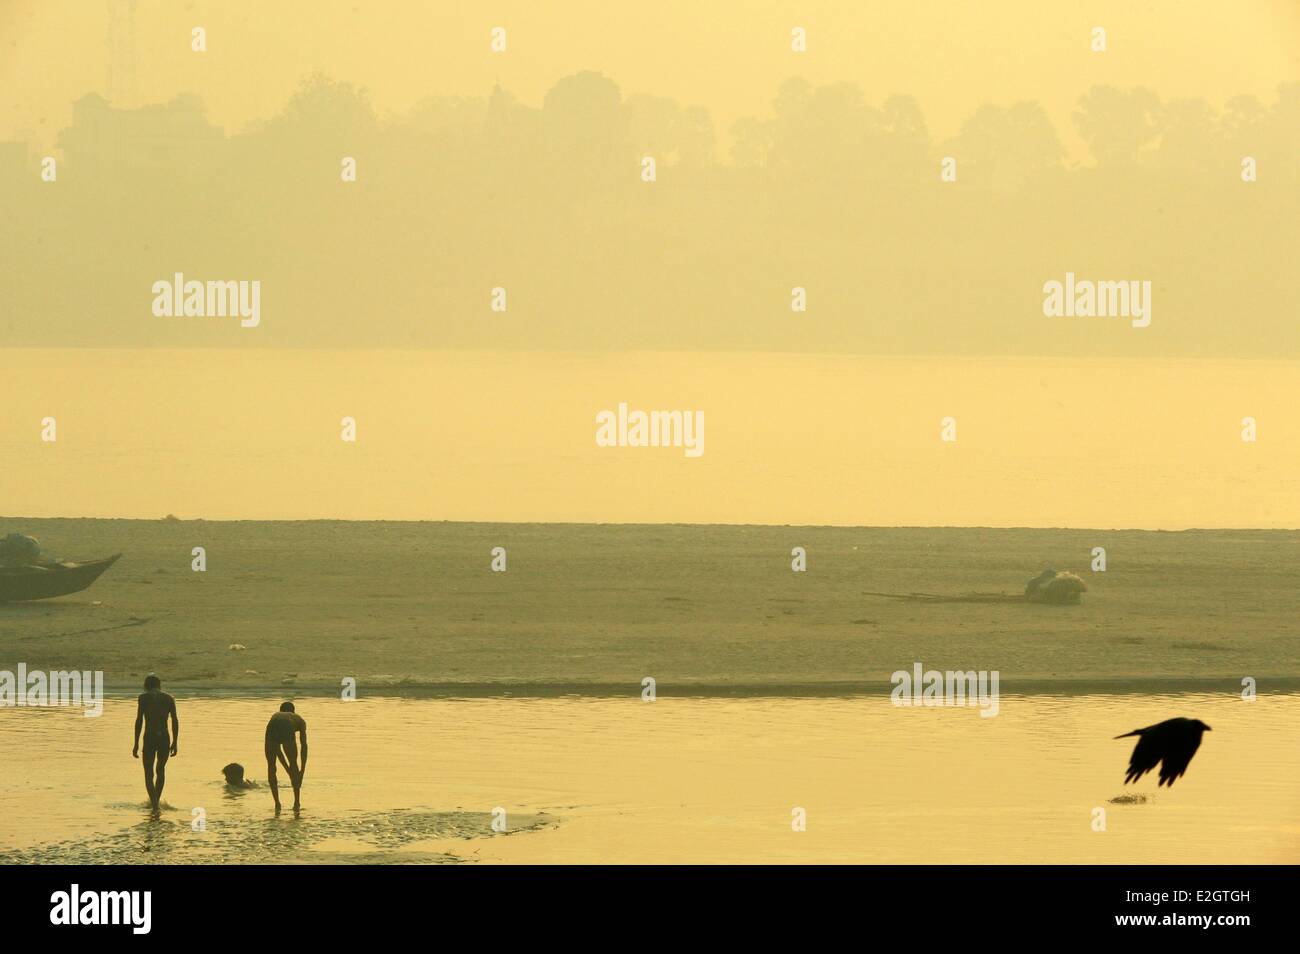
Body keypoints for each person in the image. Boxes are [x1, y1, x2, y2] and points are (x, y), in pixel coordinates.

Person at [132, 673, 179, 815]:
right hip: (164, 737)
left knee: (148, 772)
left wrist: (135, 743)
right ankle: (156, 803)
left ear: (146, 685)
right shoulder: (169, 698)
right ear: (159, 685)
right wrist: (175, 741)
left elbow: (139, 720)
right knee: (161, 770)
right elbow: (175, 720)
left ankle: (154, 806)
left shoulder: (143, 698)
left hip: (150, 737)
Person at [265, 701, 308, 814]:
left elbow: (277, 748)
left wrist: (287, 769)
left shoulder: (276, 716)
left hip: (271, 726)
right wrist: (301, 770)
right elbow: (304, 745)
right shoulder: (299, 719)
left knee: (271, 766)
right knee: (293, 764)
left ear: (281, 710)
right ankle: (296, 803)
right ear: (293, 711)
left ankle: (277, 804)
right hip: (287, 726)